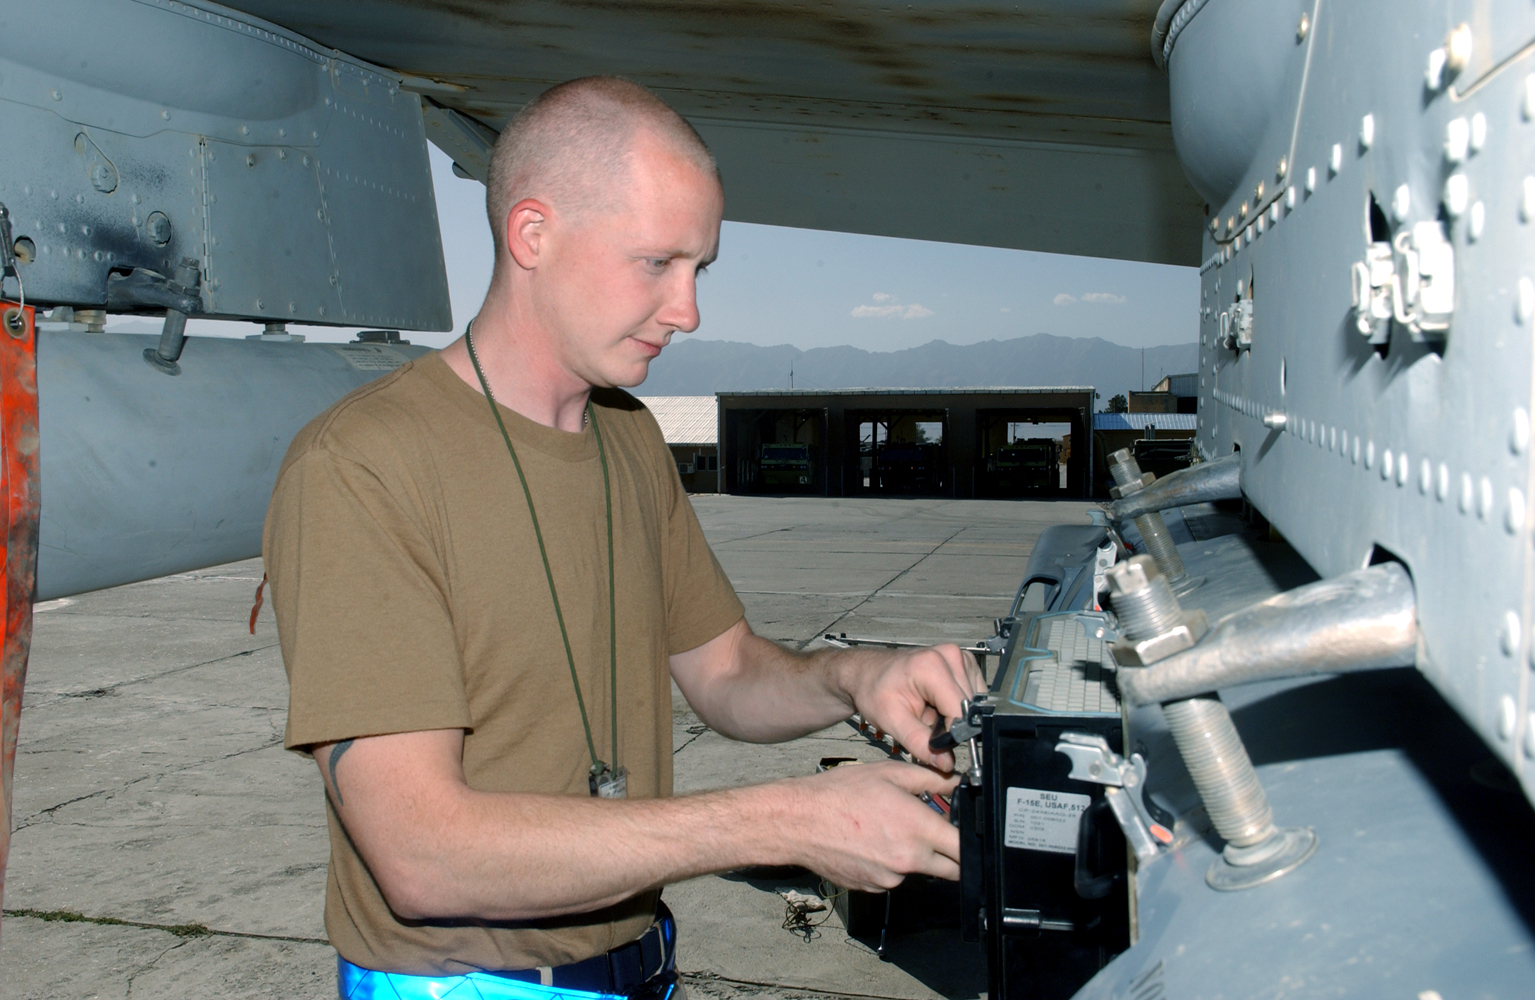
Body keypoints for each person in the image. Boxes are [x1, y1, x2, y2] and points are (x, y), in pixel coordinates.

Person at [263, 76, 982, 1000]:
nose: (687, 310)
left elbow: (726, 674)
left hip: (639, 964)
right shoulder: (362, 464)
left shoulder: (628, 435)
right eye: (655, 263)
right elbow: (421, 855)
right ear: (533, 235)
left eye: (699, 269)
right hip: (465, 985)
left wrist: (855, 677)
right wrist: (787, 820)